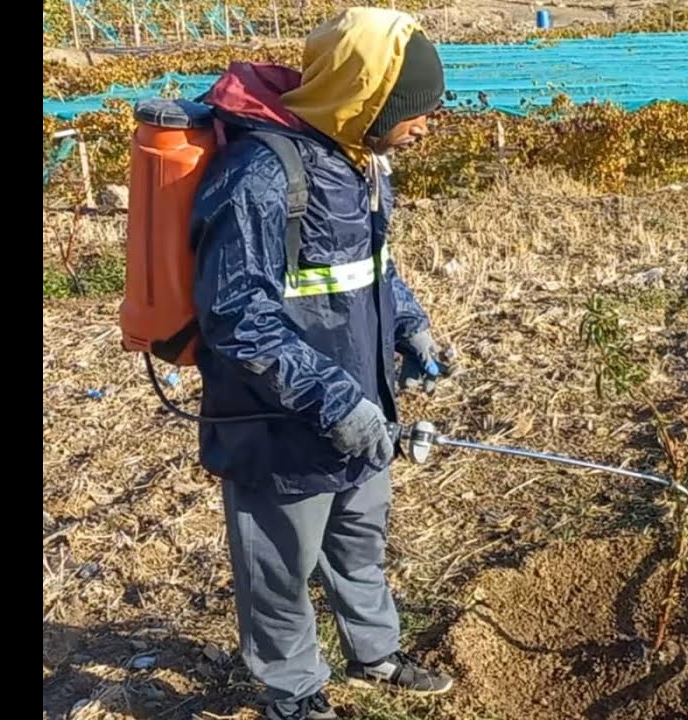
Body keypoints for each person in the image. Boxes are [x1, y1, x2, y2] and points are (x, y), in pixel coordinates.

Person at [187, 8, 452, 720]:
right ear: (368, 101)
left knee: (360, 544)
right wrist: (334, 401)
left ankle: (376, 653)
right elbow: (237, 317)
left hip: (363, 411)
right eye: (416, 110)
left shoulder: (362, 163)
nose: (428, 124)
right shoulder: (259, 176)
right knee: (279, 572)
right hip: (279, 423)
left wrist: (411, 327)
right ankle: (294, 694)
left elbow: (374, 268)